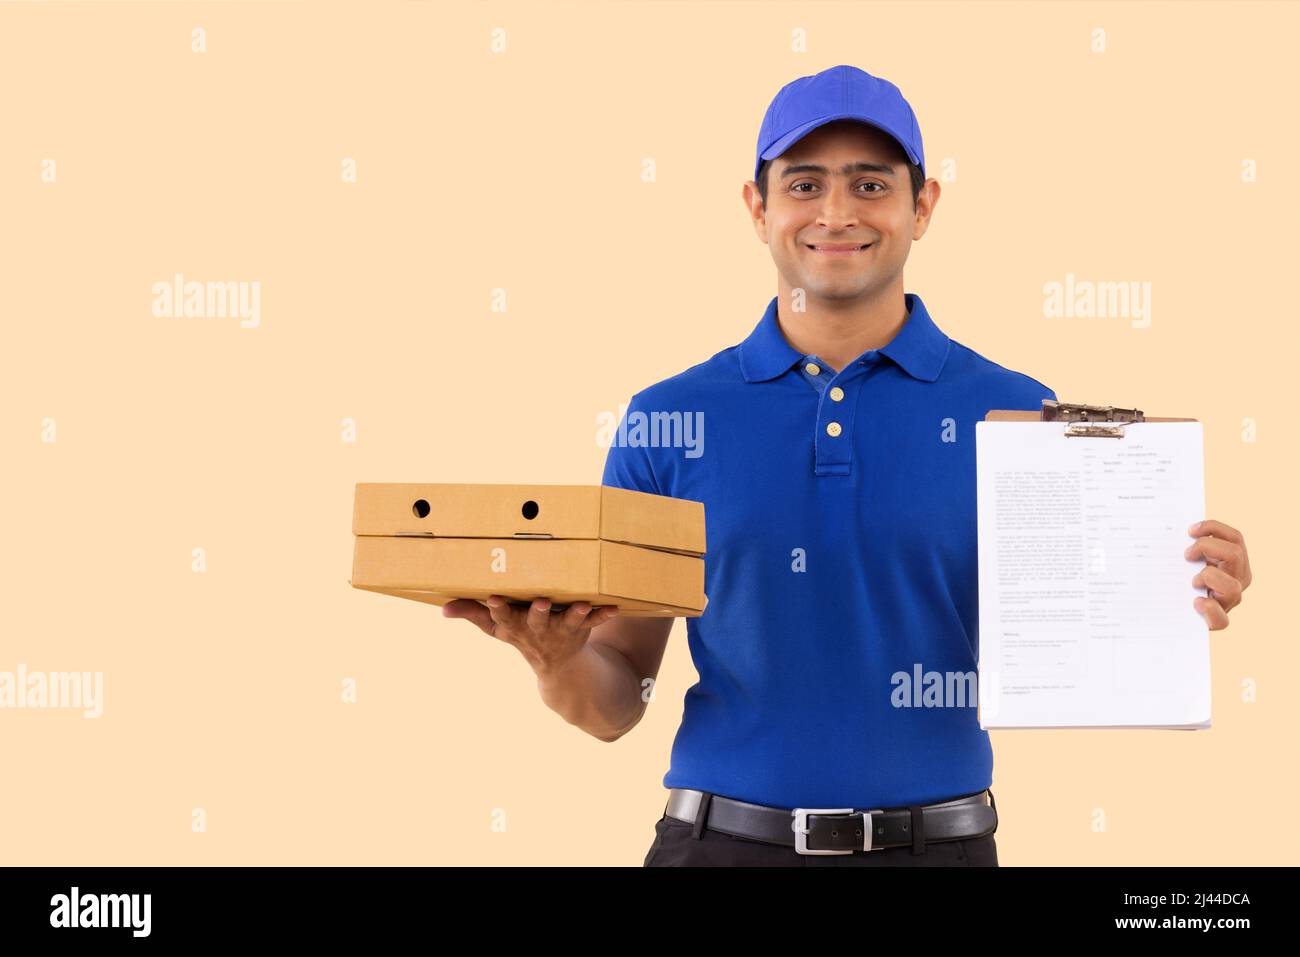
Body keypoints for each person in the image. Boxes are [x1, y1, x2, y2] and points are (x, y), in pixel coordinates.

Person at [442, 65, 1253, 866]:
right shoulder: (668, 419)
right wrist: (553, 657)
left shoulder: (1019, 417)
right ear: (757, 208)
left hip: (940, 848)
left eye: (870, 185)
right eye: (804, 185)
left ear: (921, 205)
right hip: (719, 848)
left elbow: (1077, 632)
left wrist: (1171, 589)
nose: (836, 212)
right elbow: (615, 699)